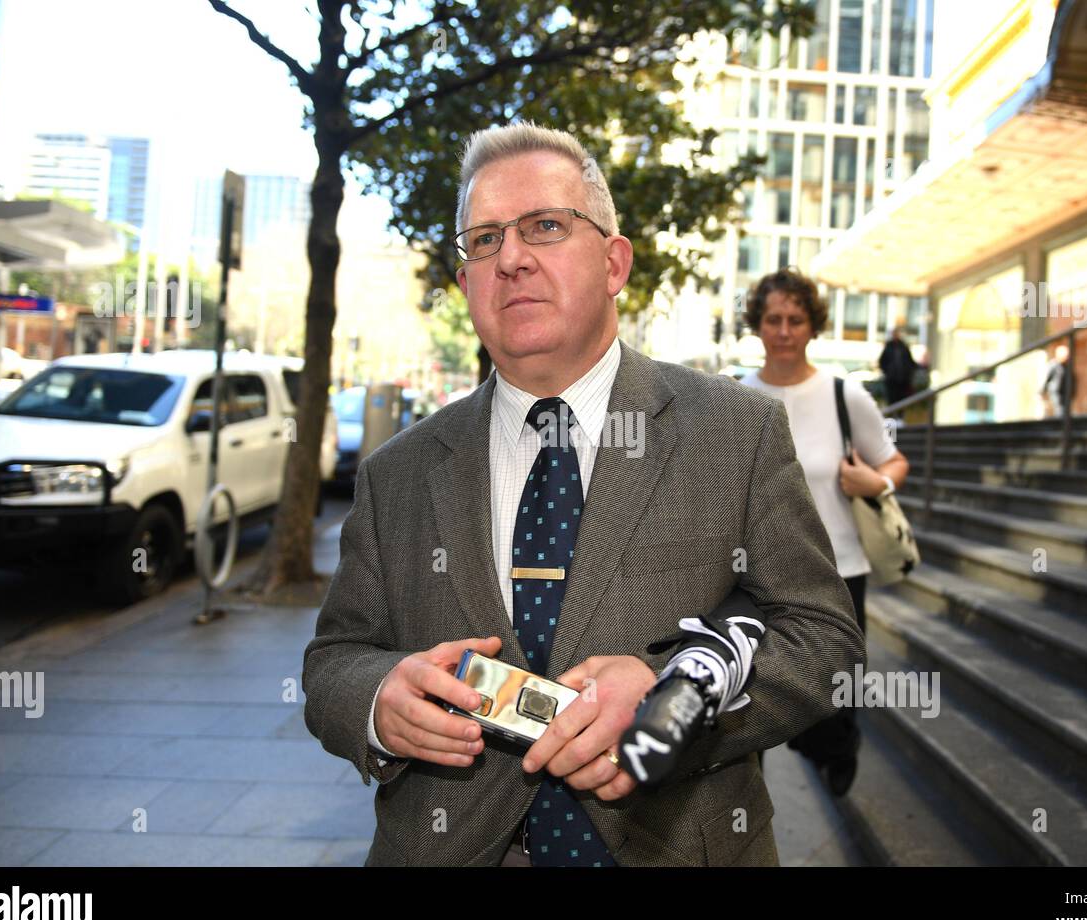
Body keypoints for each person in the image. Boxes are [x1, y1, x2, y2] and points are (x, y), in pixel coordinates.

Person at [302, 123, 864, 867]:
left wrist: (677, 701)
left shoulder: (736, 432)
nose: (512, 259)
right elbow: (334, 658)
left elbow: (823, 639)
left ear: (613, 262)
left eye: (544, 226)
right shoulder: (395, 473)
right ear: (466, 279)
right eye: (484, 240)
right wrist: (379, 701)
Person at [740, 268, 909, 797]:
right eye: (774, 319)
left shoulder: (844, 395)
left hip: (840, 569)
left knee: (834, 694)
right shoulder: (735, 397)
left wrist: (874, 480)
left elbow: (894, 460)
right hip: (756, 577)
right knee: (755, 692)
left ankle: (837, 746)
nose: (784, 330)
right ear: (758, 325)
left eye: (796, 319)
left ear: (813, 326)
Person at [878, 325, 916, 410]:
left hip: (903, 380)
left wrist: (909, 373)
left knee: (901, 401)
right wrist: (888, 372)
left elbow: (910, 362)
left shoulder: (904, 346)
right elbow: (882, 362)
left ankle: (900, 418)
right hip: (891, 380)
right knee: (892, 400)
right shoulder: (889, 346)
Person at [1041, 343, 1076, 417]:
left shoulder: (1067, 366)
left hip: (1066, 392)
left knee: (1065, 410)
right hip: (1056, 392)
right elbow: (1047, 378)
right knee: (1059, 410)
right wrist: (1042, 391)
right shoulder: (1053, 365)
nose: (1066, 357)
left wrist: (1073, 391)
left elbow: (1073, 379)